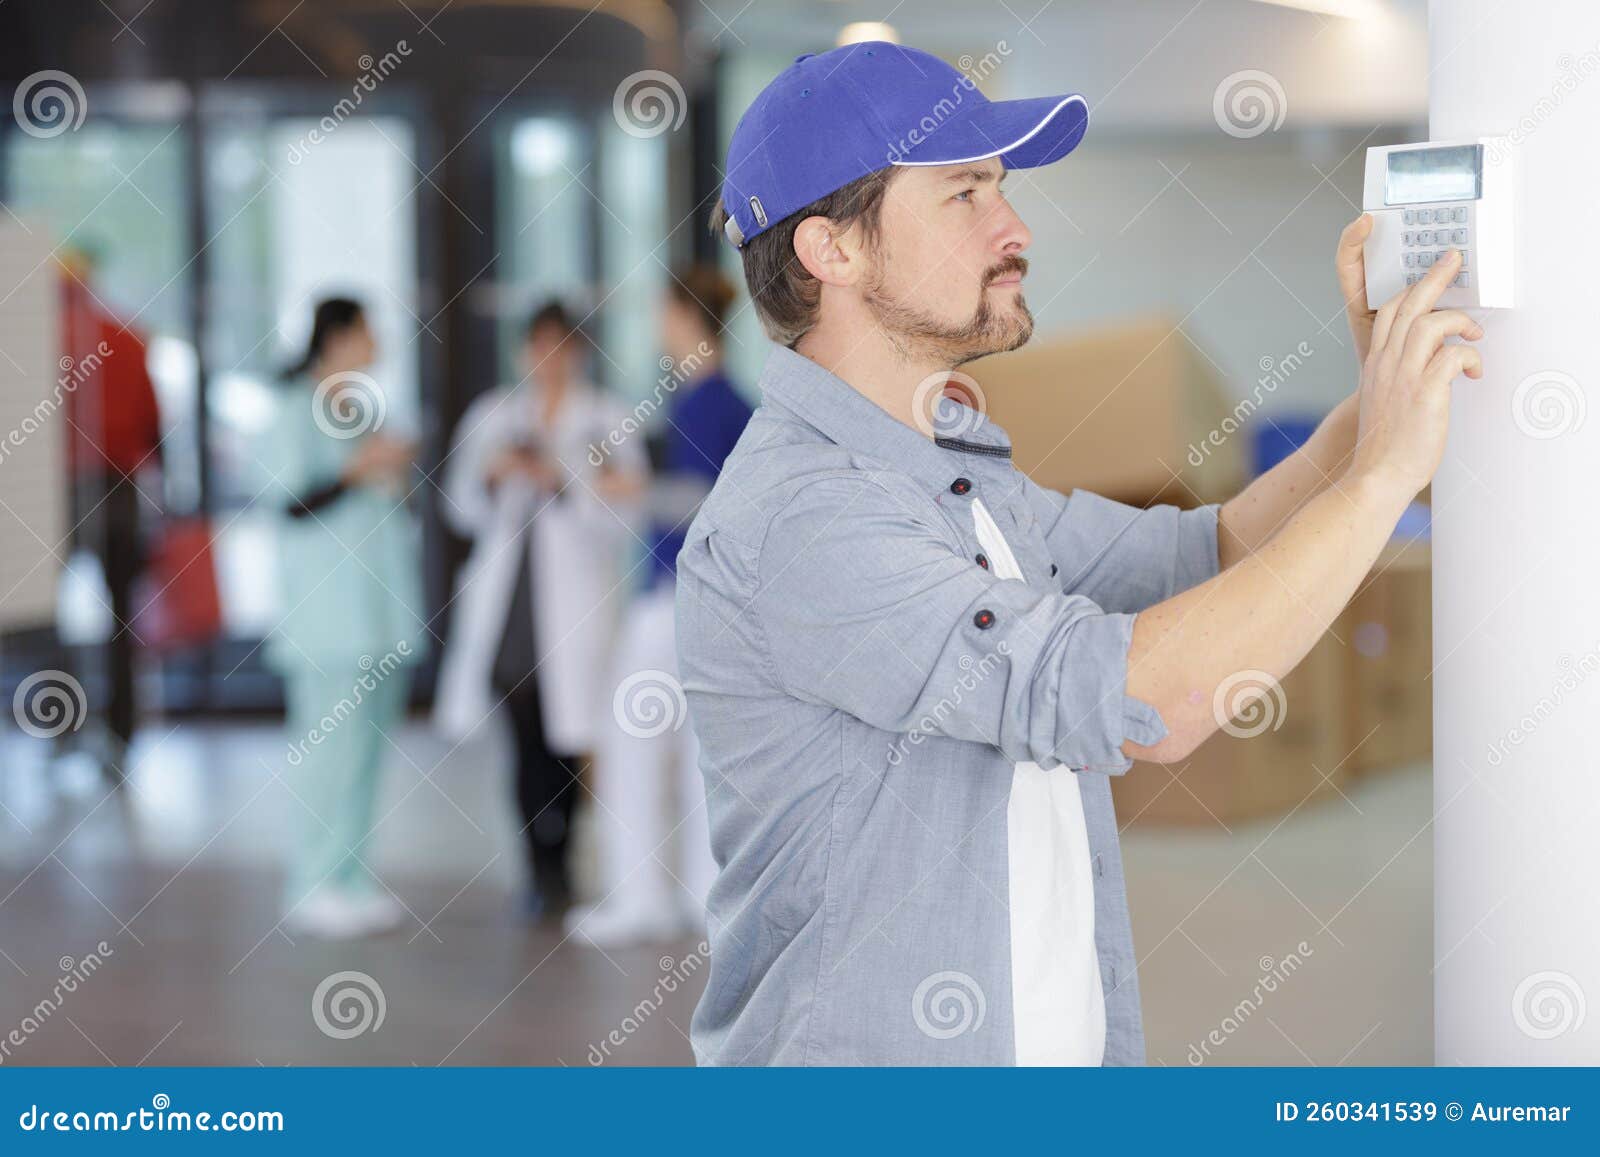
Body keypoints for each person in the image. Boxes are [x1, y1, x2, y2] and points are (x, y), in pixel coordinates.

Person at [676, 43, 1482, 1065]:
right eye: (964, 193)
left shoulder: (953, 474)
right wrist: (1380, 481)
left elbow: (1208, 551)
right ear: (832, 252)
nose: (1013, 228)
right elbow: (1142, 702)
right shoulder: (804, 518)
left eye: (1001, 189)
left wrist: (1375, 401)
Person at [435, 303, 645, 919]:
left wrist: (559, 479)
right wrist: (497, 475)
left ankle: (560, 855)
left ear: (577, 352)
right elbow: (459, 508)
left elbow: (625, 517)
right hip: (510, 607)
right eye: (537, 347)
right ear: (523, 352)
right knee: (523, 737)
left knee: (569, 740)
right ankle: (535, 865)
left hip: (574, 604)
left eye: (560, 348)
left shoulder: (607, 416)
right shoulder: (494, 415)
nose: (547, 361)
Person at [566, 266, 752, 948]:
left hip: (673, 599)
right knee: (700, 757)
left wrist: (626, 488)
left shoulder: (704, 401)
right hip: (708, 604)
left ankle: (639, 900)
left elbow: (700, 501)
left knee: (633, 750)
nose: (655, 325)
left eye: (659, 311)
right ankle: (701, 899)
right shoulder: (725, 398)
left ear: (682, 316)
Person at [264, 297, 426, 939]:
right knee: (327, 756)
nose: (377, 340)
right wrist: (360, 469)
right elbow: (287, 500)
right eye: (366, 329)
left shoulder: (362, 408)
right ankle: (312, 882)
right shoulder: (292, 409)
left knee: (366, 752)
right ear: (335, 337)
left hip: (378, 612)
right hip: (327, 619)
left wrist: (384, 467)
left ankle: (351, 878)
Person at [58, 244, 163, 779]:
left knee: (38, 614)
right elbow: (153, 426)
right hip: (117, 487)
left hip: (55, 491)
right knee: (121, 616)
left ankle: (58, 722)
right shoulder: (125, 335)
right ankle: (120, 731)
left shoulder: (34, 341)